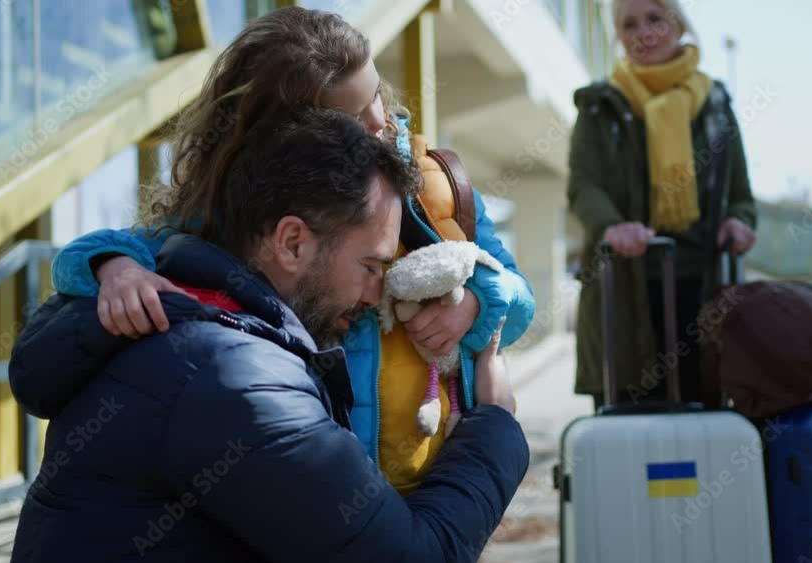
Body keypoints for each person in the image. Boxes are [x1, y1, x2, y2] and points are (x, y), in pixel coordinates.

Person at [34, 7, 534, 493]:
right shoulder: (251, 212)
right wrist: (116, 268)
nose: (381, 122)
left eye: (376, 94)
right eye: (354, 115)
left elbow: (515, 291)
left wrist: (476, 304)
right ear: (294, 140)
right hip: (336, 486)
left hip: (440, 478)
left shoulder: (433, 184)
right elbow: (113, 250)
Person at [8, 108, 528, 562]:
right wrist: (495, 426)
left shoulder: (202, 322)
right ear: (292, 242)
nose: (377, 295)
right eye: (371, 266)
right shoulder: (235, 378)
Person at [568, 0, 757, 410]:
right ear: (619, 36)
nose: (644, 33)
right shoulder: (600, 104)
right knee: (627, 420)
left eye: (655, 19)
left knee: (707, 412)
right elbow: (583, 186)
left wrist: (739, 221)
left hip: (703, 285)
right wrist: (612, 226)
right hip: (623, 287)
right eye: (630, 24)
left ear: (678, 25)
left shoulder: (716, 103)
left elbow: (740, 193)